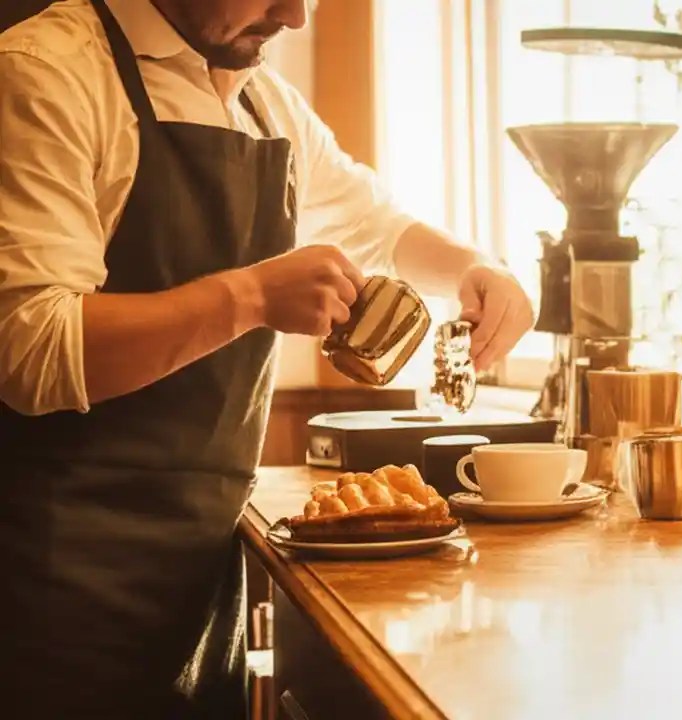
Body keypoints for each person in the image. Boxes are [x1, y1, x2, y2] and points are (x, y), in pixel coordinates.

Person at [0, 0, 534, 717]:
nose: (294, 17)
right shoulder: (43, 74)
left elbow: (377, 224)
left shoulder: (262, 98)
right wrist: (250, 296)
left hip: (204, 575)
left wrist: (478, 268)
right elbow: (33, 347)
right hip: (53, 587)